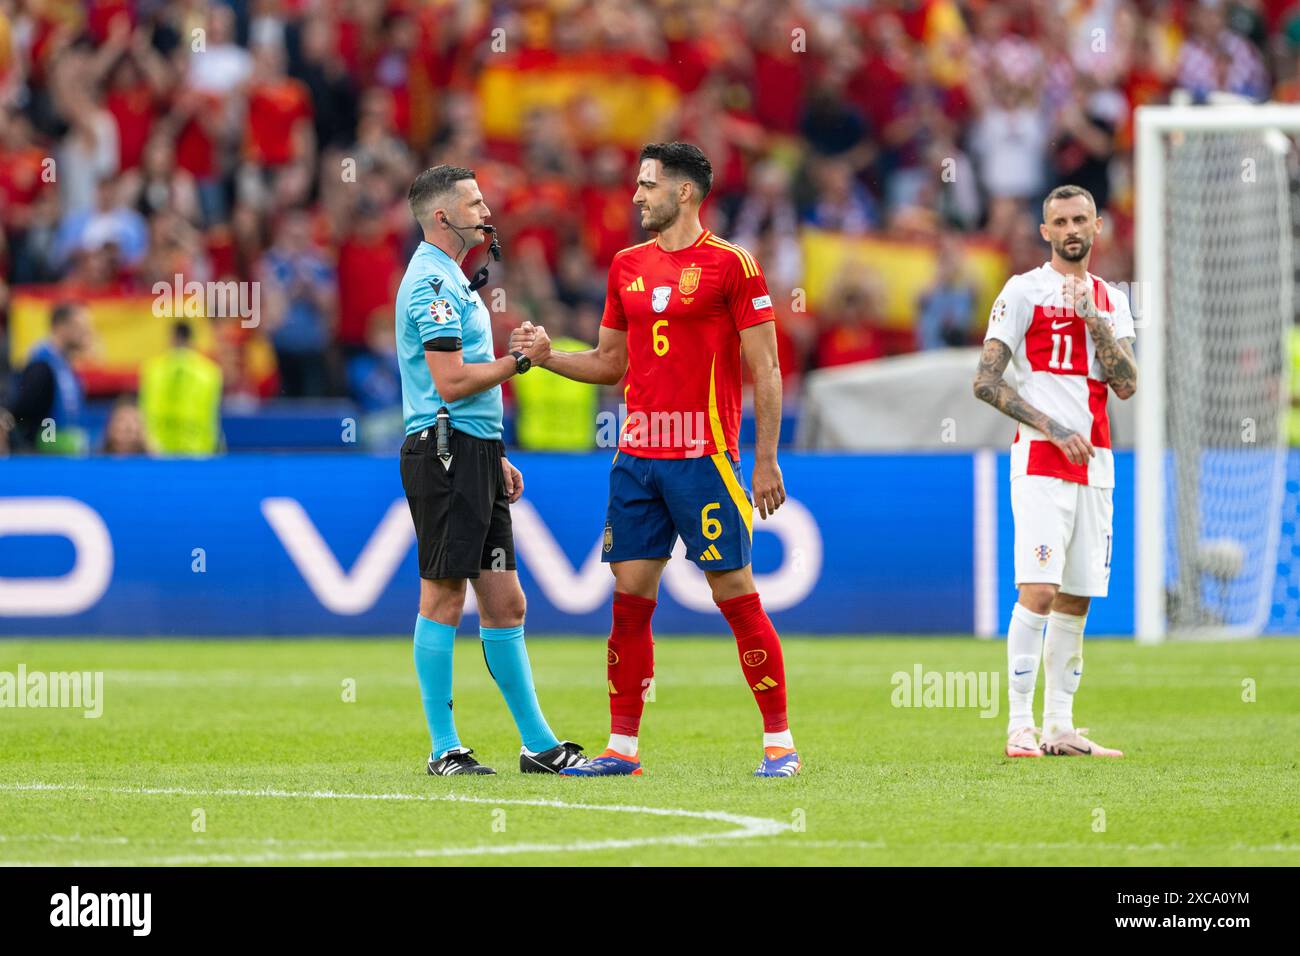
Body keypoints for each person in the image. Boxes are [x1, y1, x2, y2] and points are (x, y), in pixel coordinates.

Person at [518, 142, 800, 777]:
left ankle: (780, 743)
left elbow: (767, 369)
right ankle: (622, 750)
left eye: (648, 185)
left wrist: (765, 461)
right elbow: (610, 363)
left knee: (735, 592)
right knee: (628, 599)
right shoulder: (624, 266)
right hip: (637, 456)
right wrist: (547, 356)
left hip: (706, 458)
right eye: (637, 184)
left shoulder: (734, 266)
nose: (636, 195)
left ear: (685, 193)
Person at [395, 164, 586, 776]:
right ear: (442, 216)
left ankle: (538, 746)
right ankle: (444, 747)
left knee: (506, 602)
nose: (487, 209)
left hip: (473, 450)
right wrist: (520, 362)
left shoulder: (454, 279)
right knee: (444, 597)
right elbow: (450, 383)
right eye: (474, 202)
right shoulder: (430, 283)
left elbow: (462, 381)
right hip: (444, 453)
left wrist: (495, 449)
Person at [972, 184, 1138, 759]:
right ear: (1045, 231)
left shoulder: (1110, 300)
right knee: (1039, 590)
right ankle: (1019, 724)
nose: (1071, 229)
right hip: (1042, 461)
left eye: (1081, 219)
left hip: (1096, 465)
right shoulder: (1022, 291)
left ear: (1097, 228)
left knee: (1076, 597)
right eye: (1060, 220)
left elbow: (1126, 383)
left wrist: (1092, 317)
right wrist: (1052, 427)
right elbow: (986, 381)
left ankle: (1060, 727)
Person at [2, 300, 92, 454]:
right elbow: (23, 415)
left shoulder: (63, 365)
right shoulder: (41, 366)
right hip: (43, 457)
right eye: (80, 326)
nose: (86, 333)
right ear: (61, 326)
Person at [139, 322, 223, 455]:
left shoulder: (152, 369)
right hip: (199, 452)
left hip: (158, 452)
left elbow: (143, 410)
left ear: (171, 338)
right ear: (192, 340)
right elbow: (214, 416)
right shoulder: (210, 372)